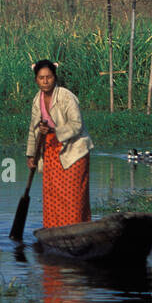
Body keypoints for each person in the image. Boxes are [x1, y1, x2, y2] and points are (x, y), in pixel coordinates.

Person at [26, 60, 93, 228]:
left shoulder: (66, 96)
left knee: (73, 197)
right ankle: (54, 230)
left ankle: (77, 229)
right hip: (50, 151)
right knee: (53, 196)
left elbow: (76, 125)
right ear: (36, 80)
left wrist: (54, 131)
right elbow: (33, 130)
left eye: (48, 77)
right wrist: (31, 155)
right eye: (41, 78)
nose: (45, 81)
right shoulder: (37, 101)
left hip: (74, 151)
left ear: (54, 78)